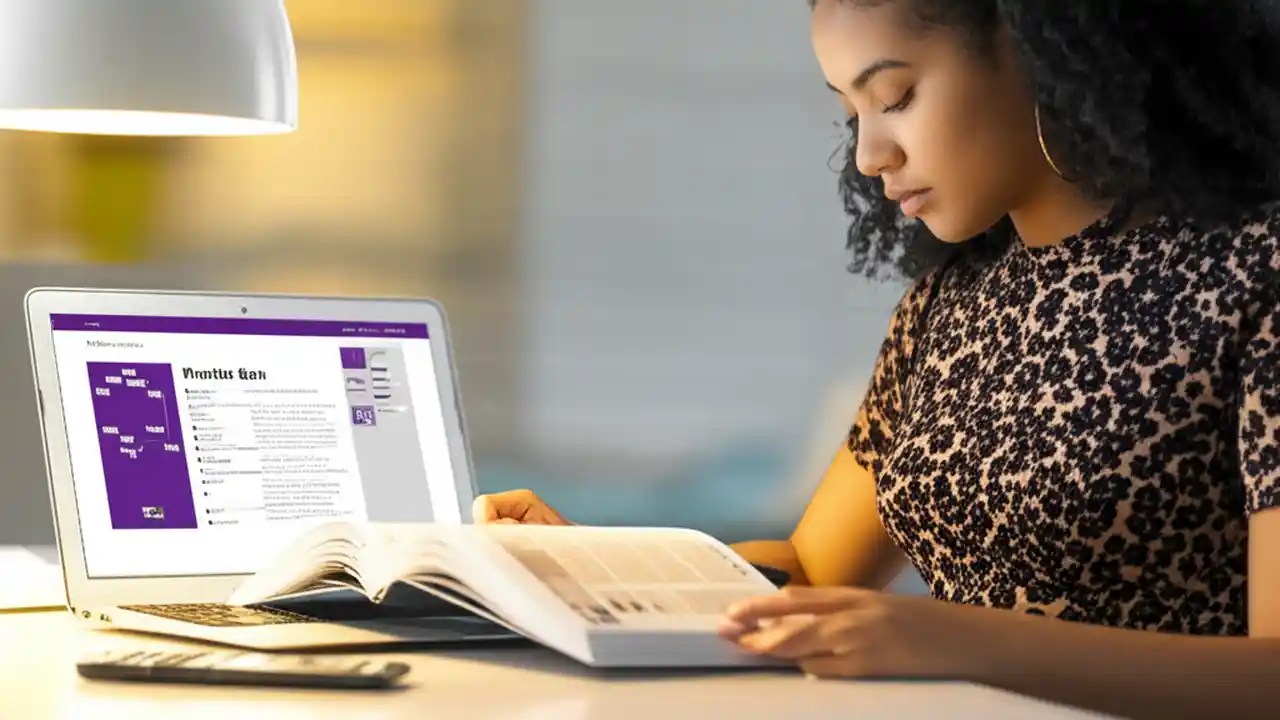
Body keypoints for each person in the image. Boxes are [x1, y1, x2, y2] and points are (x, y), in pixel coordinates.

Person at [475, 1, 1280, 717]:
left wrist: (955, 640)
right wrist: (592, 562)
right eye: (851, 112)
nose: (868, 154)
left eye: (895, 97)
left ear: (1040, 49)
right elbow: (811, 571)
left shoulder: (1256, 276)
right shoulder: (950, 303)